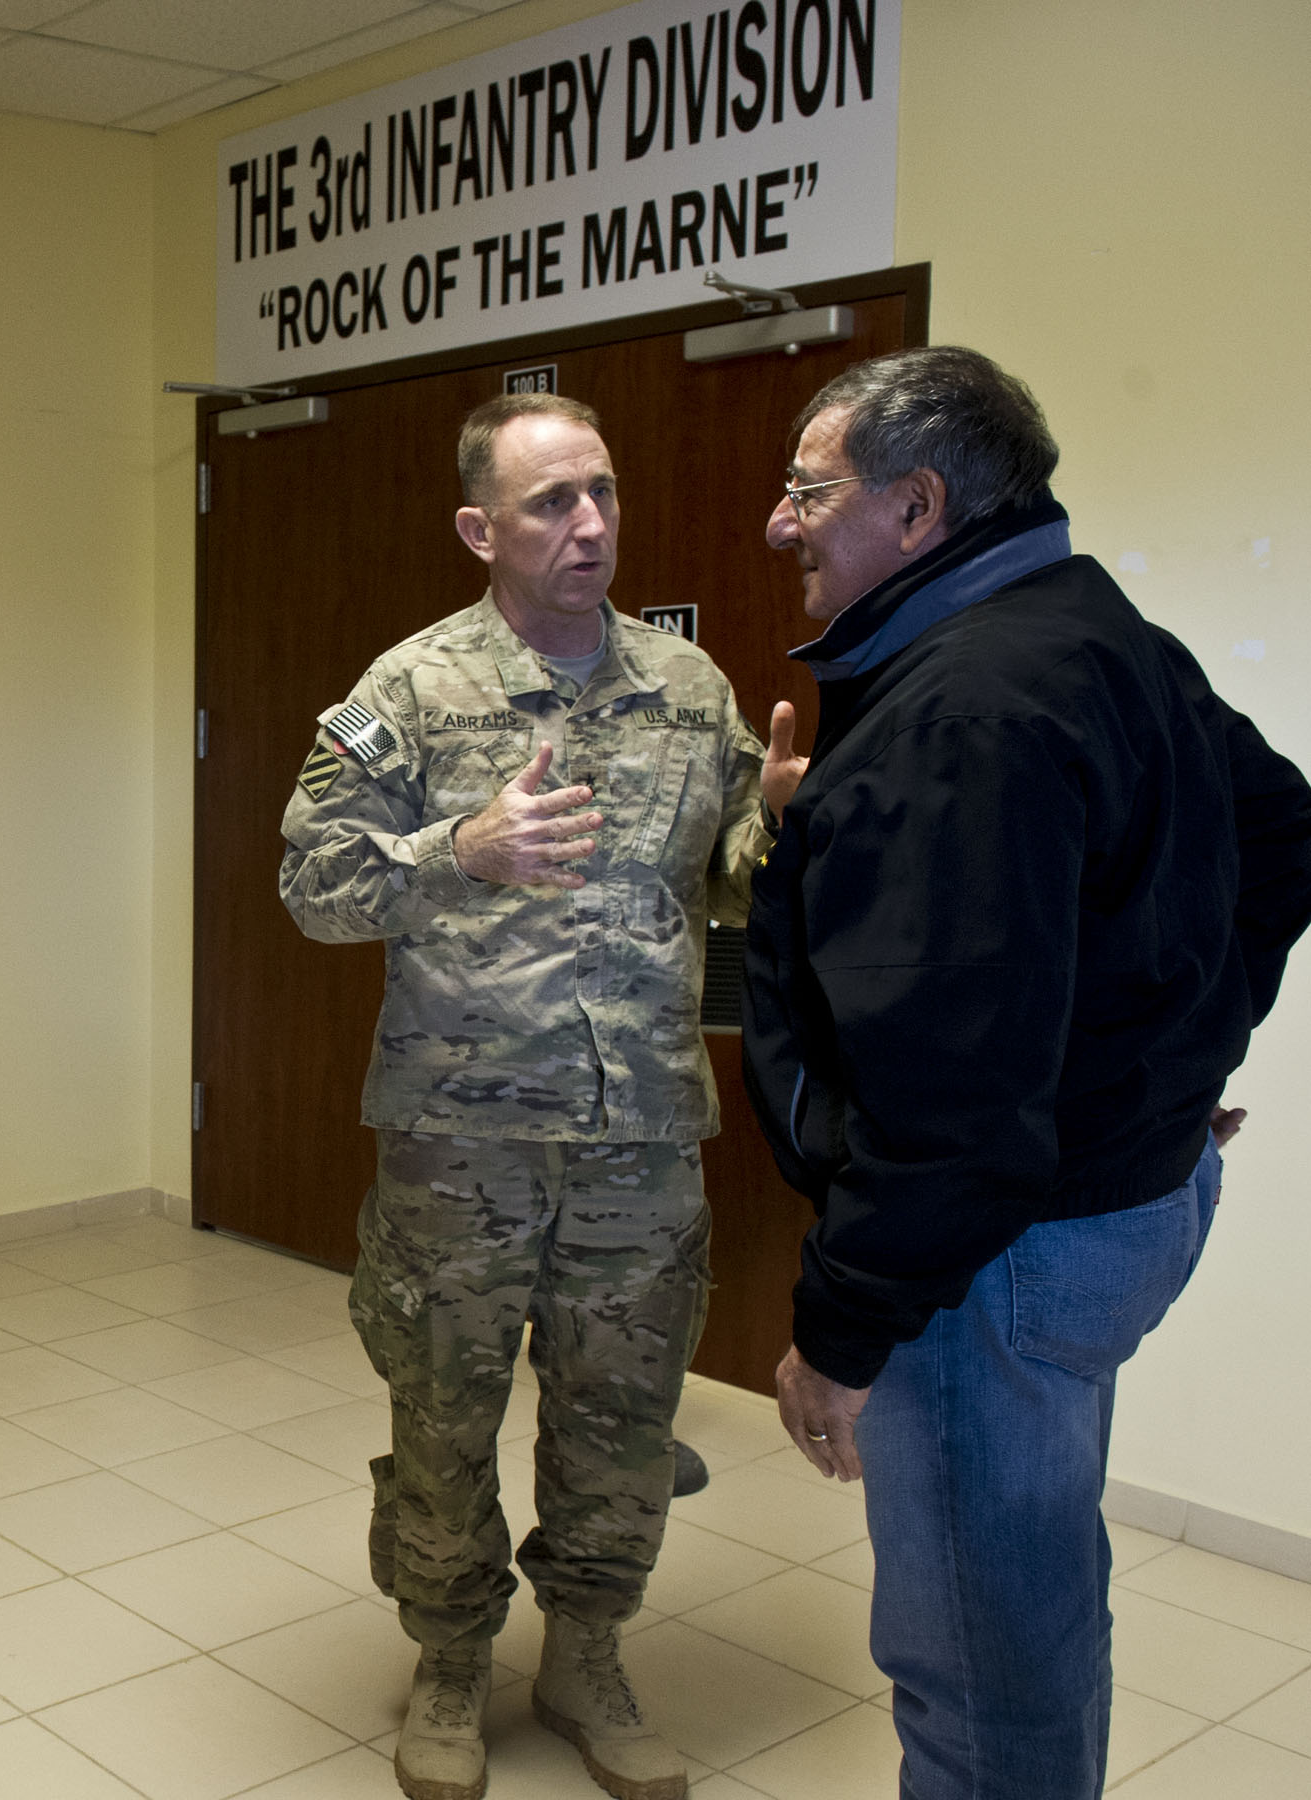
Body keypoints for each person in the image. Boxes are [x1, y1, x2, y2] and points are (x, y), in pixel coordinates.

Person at [742, 346, 1311, 1799]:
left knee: (981, 1671)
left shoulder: (961, 712)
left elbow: (947, 1104)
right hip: (1113, 1201)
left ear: (918, 506)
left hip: (995, 1257)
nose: (779, 522)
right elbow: (1279, 836)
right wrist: (1165, 1065)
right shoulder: (1088, 629)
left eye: (810, 490)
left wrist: (838, 1339)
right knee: (1031, 1598)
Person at [281, 391, 796, 1800]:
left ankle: (587, 1655)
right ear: (480, 530)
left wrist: (779, 827)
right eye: (552, 501)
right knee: (445, 1416)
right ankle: (451, 1663)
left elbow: (732, 879)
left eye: (602, 493)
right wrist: (460, 847)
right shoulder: (410, 690)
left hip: (641, 1138)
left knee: (623, 1420)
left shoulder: (686, 687)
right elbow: (311, 884)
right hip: (462, 1144)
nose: (589, 524)